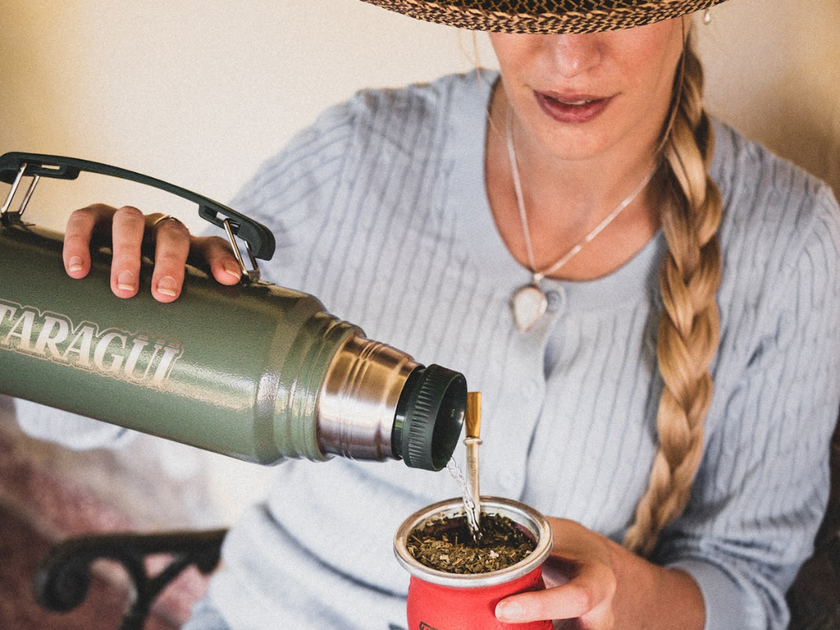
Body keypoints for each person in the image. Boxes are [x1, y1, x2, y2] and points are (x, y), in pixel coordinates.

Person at [14, 0, 840, 628]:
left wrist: (627, 592)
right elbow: (74, 423)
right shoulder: (357, 157)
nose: (569, 55)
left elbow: (750, 587)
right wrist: (113, 300)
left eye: (614, 11)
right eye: (530, 10)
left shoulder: (793, 242)